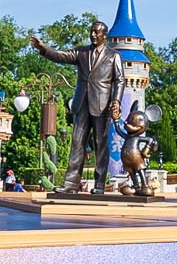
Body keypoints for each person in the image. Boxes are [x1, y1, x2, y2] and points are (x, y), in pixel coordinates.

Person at [26, 20, 123, 195]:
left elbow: (120, 81)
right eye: (91, 32)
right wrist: (44, 49)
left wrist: (115, 101)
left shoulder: (113, 55)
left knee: (101, 145)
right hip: (81, 104)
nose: (93, 35)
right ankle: (71, 184)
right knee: (77, 143)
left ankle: (100, 184)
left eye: (97, 32)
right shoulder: (81, 52)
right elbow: (61, 56)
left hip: (102, 105)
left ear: (104, 35)